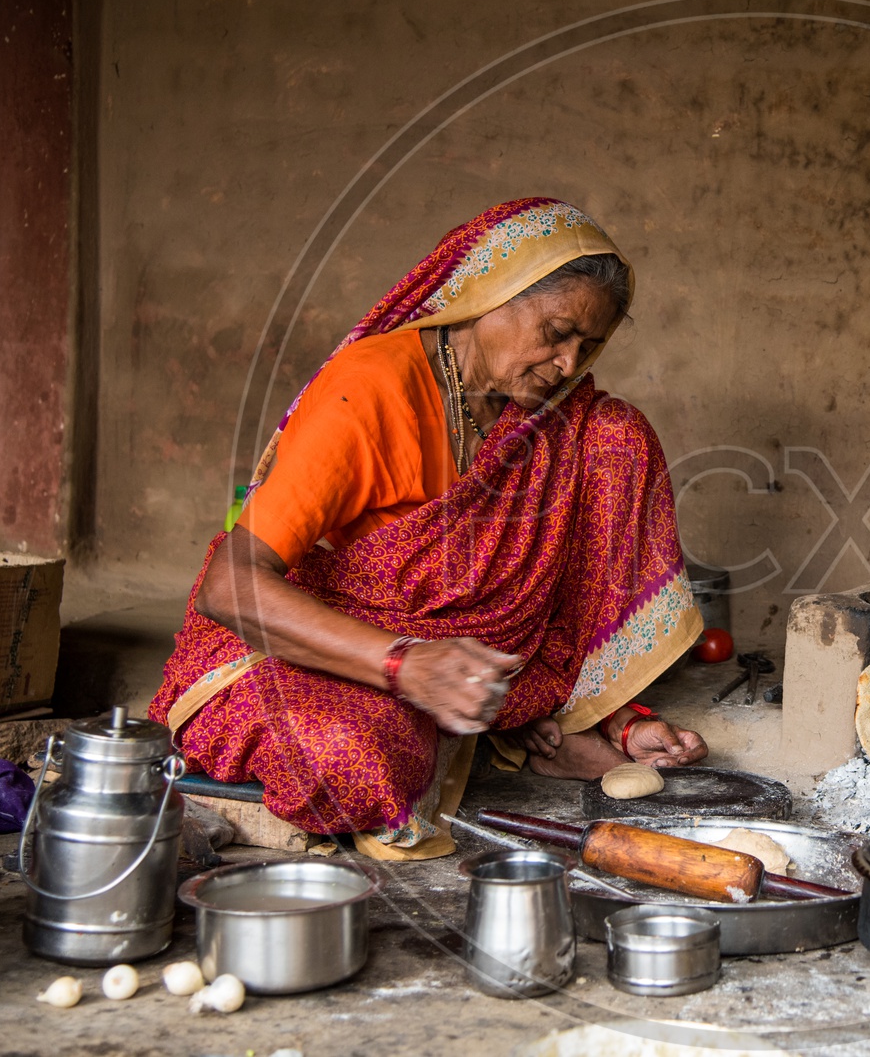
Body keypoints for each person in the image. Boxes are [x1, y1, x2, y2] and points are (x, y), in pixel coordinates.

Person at [149, 198, 708, 859]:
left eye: (588, 345)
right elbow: (229, 589)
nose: (567, 364)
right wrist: (404, 664)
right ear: (487, 293)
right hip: (306, 644)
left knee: (616, 436)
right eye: (556, 332)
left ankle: (562, 719)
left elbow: (547, 588)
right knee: (361, 759)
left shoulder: (548, 417)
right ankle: (491, 724)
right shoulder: (369, 391)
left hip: (457, 656)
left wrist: (610, 710)